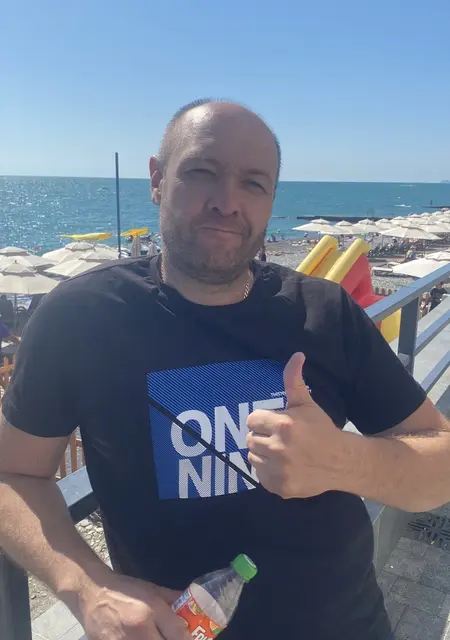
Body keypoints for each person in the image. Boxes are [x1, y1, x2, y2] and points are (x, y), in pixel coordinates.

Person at [1, 100, 450, 640]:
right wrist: (86, 586)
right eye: (201, 172)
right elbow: (13, 474)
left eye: (253, 183)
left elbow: (440, 466)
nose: (227, 202)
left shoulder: (325, 312)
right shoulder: (82, 316)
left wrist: (345, 460)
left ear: (272, 199)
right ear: (157, 179)